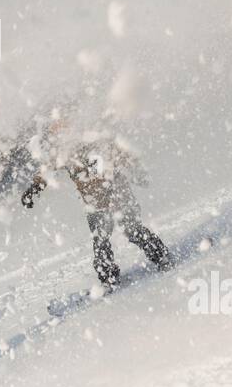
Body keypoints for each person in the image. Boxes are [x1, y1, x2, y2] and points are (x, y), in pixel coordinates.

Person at [20, 116, 173, 288]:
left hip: (118, 197)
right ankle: (108, 279)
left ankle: (161, 257)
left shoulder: (94, 139)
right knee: (100, 242)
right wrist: (33, 189)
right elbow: (47, 171)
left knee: (132, 230)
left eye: (63, 129)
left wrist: (136, 173)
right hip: (95, 204)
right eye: (56, 131)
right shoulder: (63, 153)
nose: (60, 134)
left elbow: (120, 154)